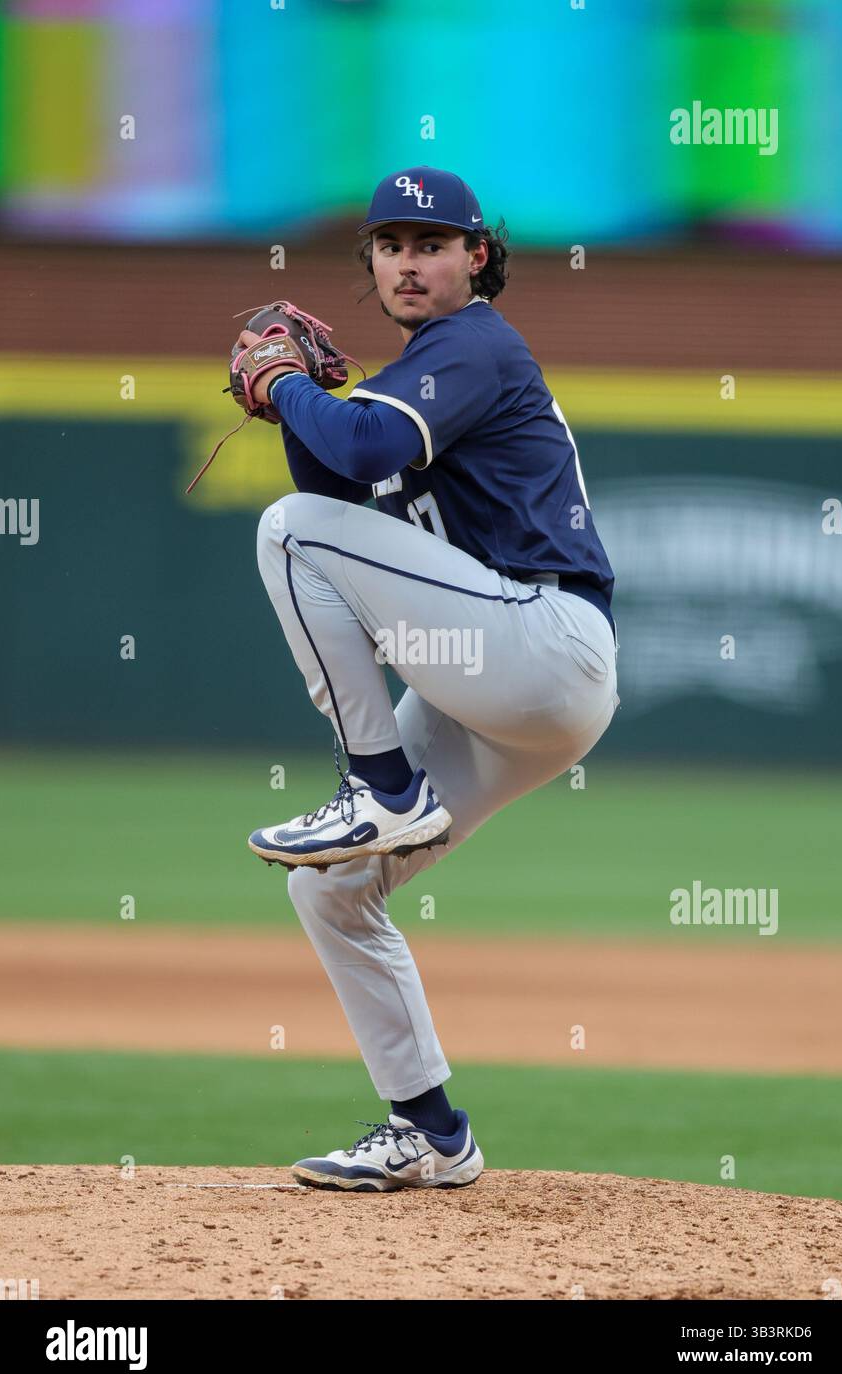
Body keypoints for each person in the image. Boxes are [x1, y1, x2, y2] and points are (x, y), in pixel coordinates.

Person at [241, 166, 619, 1192]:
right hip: (495, 683)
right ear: (369, 262)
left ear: (477, 259)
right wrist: (299, 406)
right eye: (391, 245)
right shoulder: (409, 378)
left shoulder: (473, 344)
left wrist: (288, 387)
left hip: (538, 638)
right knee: (334, 891)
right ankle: (431, 1132)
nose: (409, 263)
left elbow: (346, 466)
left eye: (433, 243)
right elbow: (343, 478)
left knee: (284, 535)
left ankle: (379, 785)